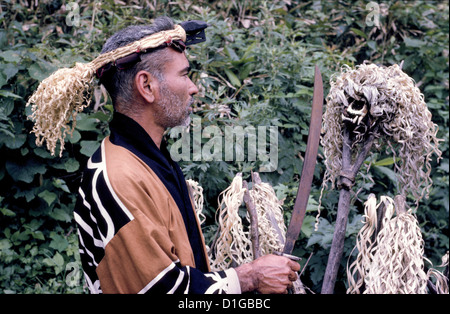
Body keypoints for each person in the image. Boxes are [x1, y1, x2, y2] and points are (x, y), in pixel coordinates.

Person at [72, 16, 300, 294]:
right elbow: (160, 288)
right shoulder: (118, 176)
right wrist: (248, 278)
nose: (194, 88)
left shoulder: (151, 160)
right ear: (146, 86)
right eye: (183, 74)